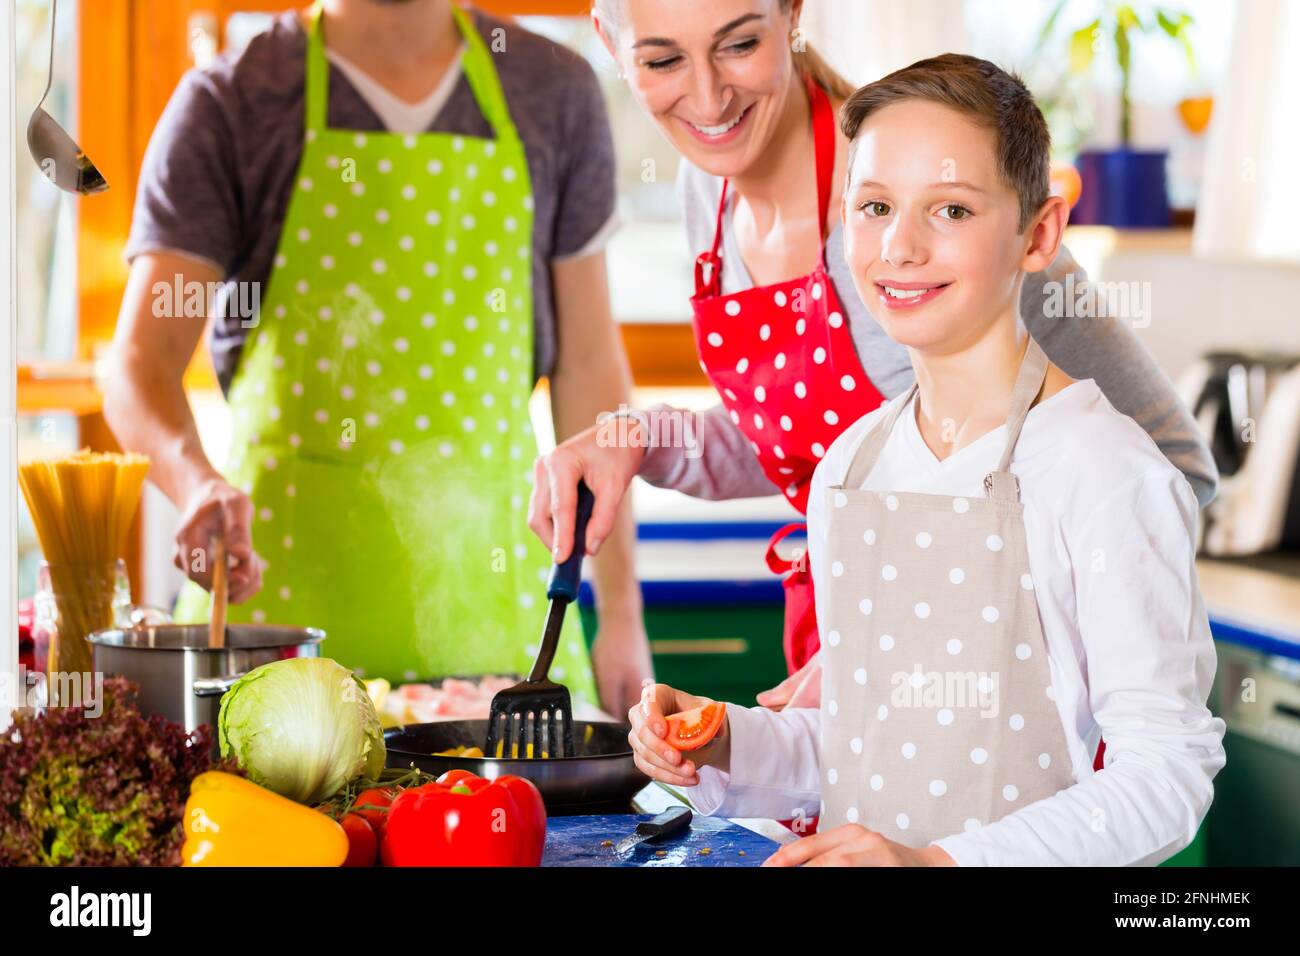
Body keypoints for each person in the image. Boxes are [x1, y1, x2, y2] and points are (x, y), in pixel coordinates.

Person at [529, 0, 1217, 713]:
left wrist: (914, 635)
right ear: (611, 45)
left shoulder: (917, 191)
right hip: (843, 661)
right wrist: (637, 440)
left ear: (793, 14)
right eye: (663, 59)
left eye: (738, 44)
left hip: (1011, 705)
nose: (707, 98)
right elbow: (799, 436)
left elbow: (1171, 472)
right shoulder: (708, 187)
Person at [628, 55, 1226, 866]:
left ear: (1039, 233)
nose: (901, 246)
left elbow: (1166, 774)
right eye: (874, 206)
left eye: (950, 209)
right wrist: (726, 741)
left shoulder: (1105, 472)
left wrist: (938, 863)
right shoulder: (852, 467)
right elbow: (862, 745)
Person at [103, 0, 651, 711]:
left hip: (503, 645)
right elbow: (137, 365)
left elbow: (588, 367)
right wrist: (193, 481)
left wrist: (624, 618)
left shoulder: (552, 89)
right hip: (274, 652)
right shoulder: (231, 101)